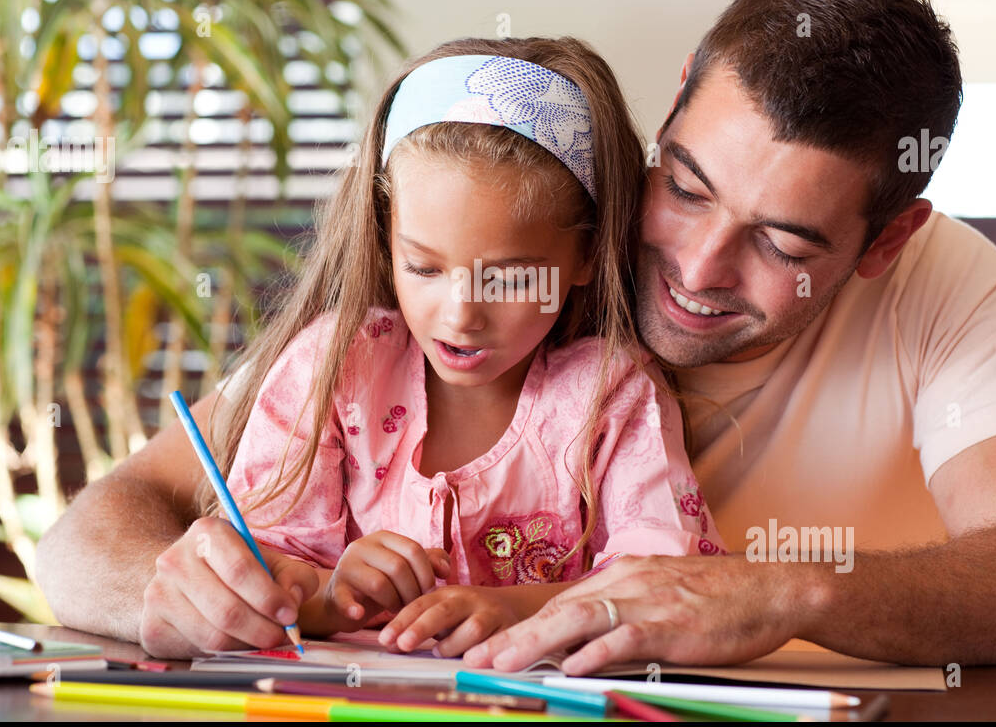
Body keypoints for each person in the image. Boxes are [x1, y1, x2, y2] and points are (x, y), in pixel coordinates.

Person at [36, 0, 996, 668]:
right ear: (669, 109)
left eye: (784, 241)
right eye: (688, 184)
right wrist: (178, 592)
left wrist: (786, 590)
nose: (695, 265)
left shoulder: (942, 284)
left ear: (883, 240)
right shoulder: (519, 218)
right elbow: (99, 530)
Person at [40, 36, 723, 659]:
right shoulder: (337, 366)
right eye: (424, 268)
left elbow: (657, 585)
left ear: (585, 254)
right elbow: (263, 570)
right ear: (384, 239)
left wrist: (509, 609)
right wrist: (334, 595)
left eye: (512, 277)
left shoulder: (611, 395)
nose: (461, 315)